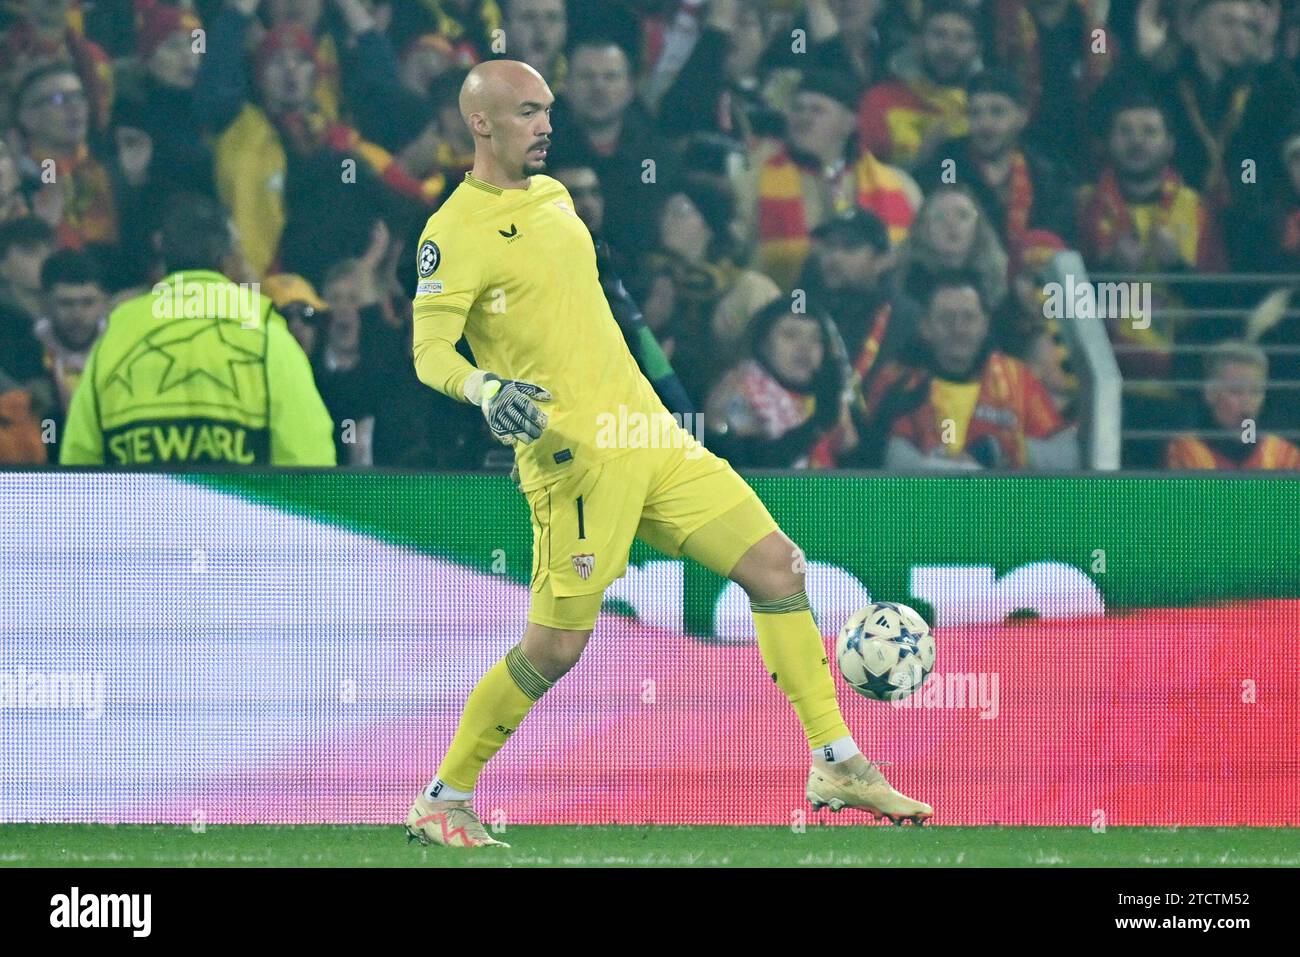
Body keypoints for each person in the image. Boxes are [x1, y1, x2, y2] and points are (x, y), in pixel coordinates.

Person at [405, 60, 932, 849]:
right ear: (479, 122)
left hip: (650, 437)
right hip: (574, 460)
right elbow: (428, 351)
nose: (546, 124)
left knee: (777, 567)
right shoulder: (452, 231)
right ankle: (444, 797)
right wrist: (485, 389)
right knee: (554, 647)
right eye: (526, 112)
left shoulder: (553, 199)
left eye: (548, 109)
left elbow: (599, 310)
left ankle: (837, 760)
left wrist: (666, 389)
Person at [59, 194, 335, 467]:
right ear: (226, 258)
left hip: (139, 510)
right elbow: (308, 458)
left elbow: (79, 459)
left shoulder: (115, 335)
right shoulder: (266, 333)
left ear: (162, 254)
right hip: (237, 511)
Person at [863, 272, 1078, 470]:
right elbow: (874, 456)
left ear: (985, 324)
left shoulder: (1016, 378)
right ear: (925, 327)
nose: (959, 328)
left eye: (969, 317)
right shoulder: (896, 380)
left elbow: (1067, 455)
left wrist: (1003, 450)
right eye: (947, 318)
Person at [741, 68, 921, 292]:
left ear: (849, 123)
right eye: (798, 109)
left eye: (817, 110)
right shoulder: (753, 182)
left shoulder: (900, 185)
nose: (804, 118)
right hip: (787, 309)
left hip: (876, 309)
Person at [704, 299, 849, 468]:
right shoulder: (740, 390)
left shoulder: (830, 398)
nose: (805, 347)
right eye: (790, 335)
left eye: (815, 339)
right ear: (762, 344)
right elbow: (756, 467)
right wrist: (816, 426)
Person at [857, 0, 981, 170]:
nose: (949, 47)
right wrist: (921, 159)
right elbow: (864, 171)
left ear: (976, 48)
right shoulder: (881, 99)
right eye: (939, 34)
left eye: (961, 38)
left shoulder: (986, 104)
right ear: (918, 41)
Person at [1164, 340, 1300, 468]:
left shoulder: (1285, 457)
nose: (1248, 402)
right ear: (1210, 393)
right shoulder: (1185, 453)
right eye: (1236, 391)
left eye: (1256, 391)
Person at [33, 248, 105, 457]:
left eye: (87, 303)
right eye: (66, 303)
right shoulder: (28, 349)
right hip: (49, 455)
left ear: (104, 302)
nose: (77, 315)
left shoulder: (117, 347)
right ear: (45, 304)